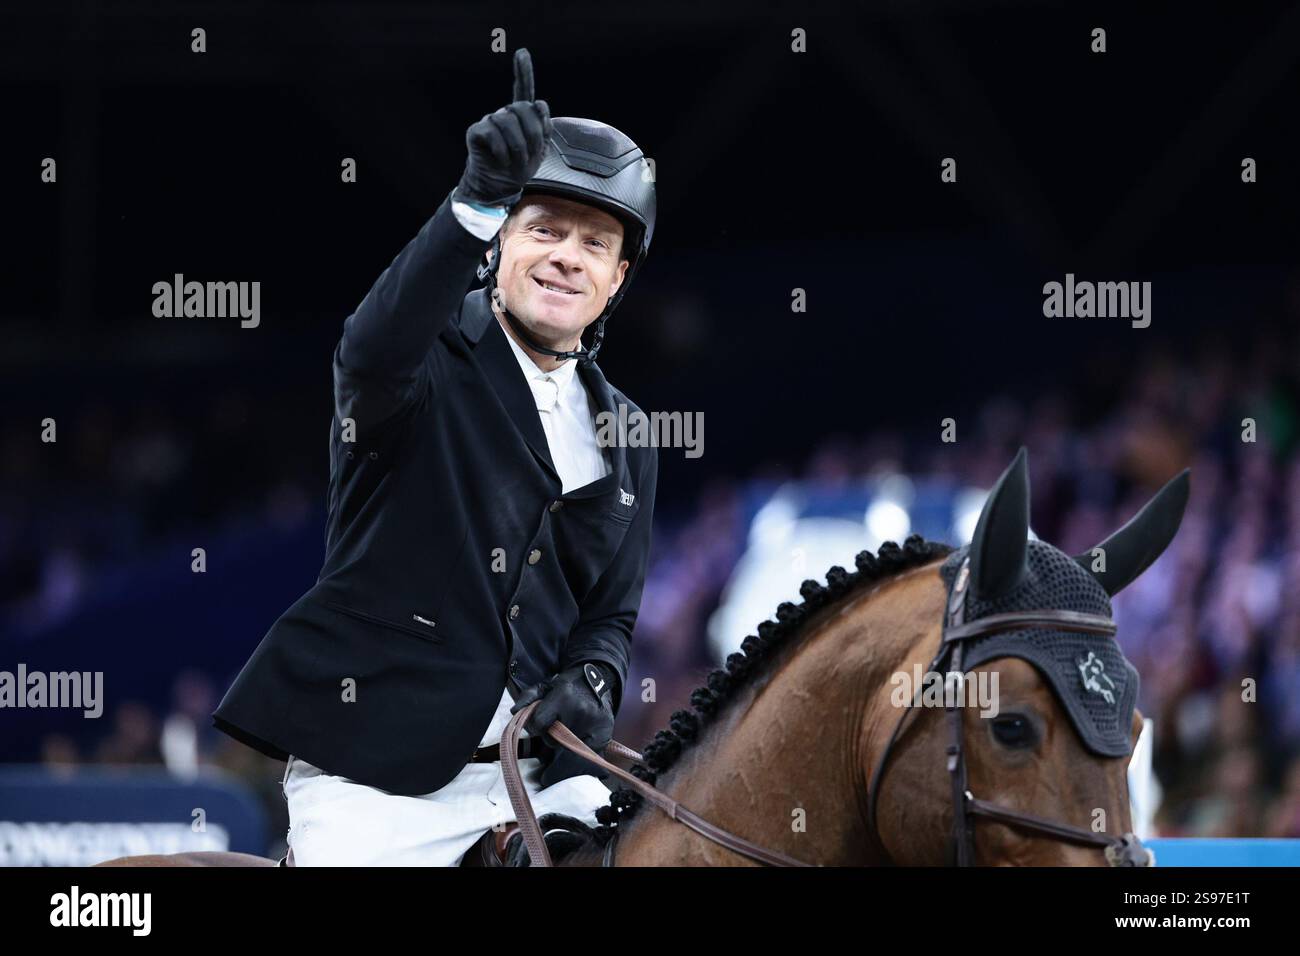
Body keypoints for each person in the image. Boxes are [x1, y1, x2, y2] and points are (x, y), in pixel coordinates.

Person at [212, 48, 658, 865]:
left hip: (543, 778)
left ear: (617, 279)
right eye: (545, 230)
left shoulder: (629, 428)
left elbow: (612, 615)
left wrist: (596, 678)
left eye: (594, 244)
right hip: (376, 782)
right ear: (498, 245)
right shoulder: (423, 362)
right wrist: (474, 200)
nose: (567, 255)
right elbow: (369, 352)